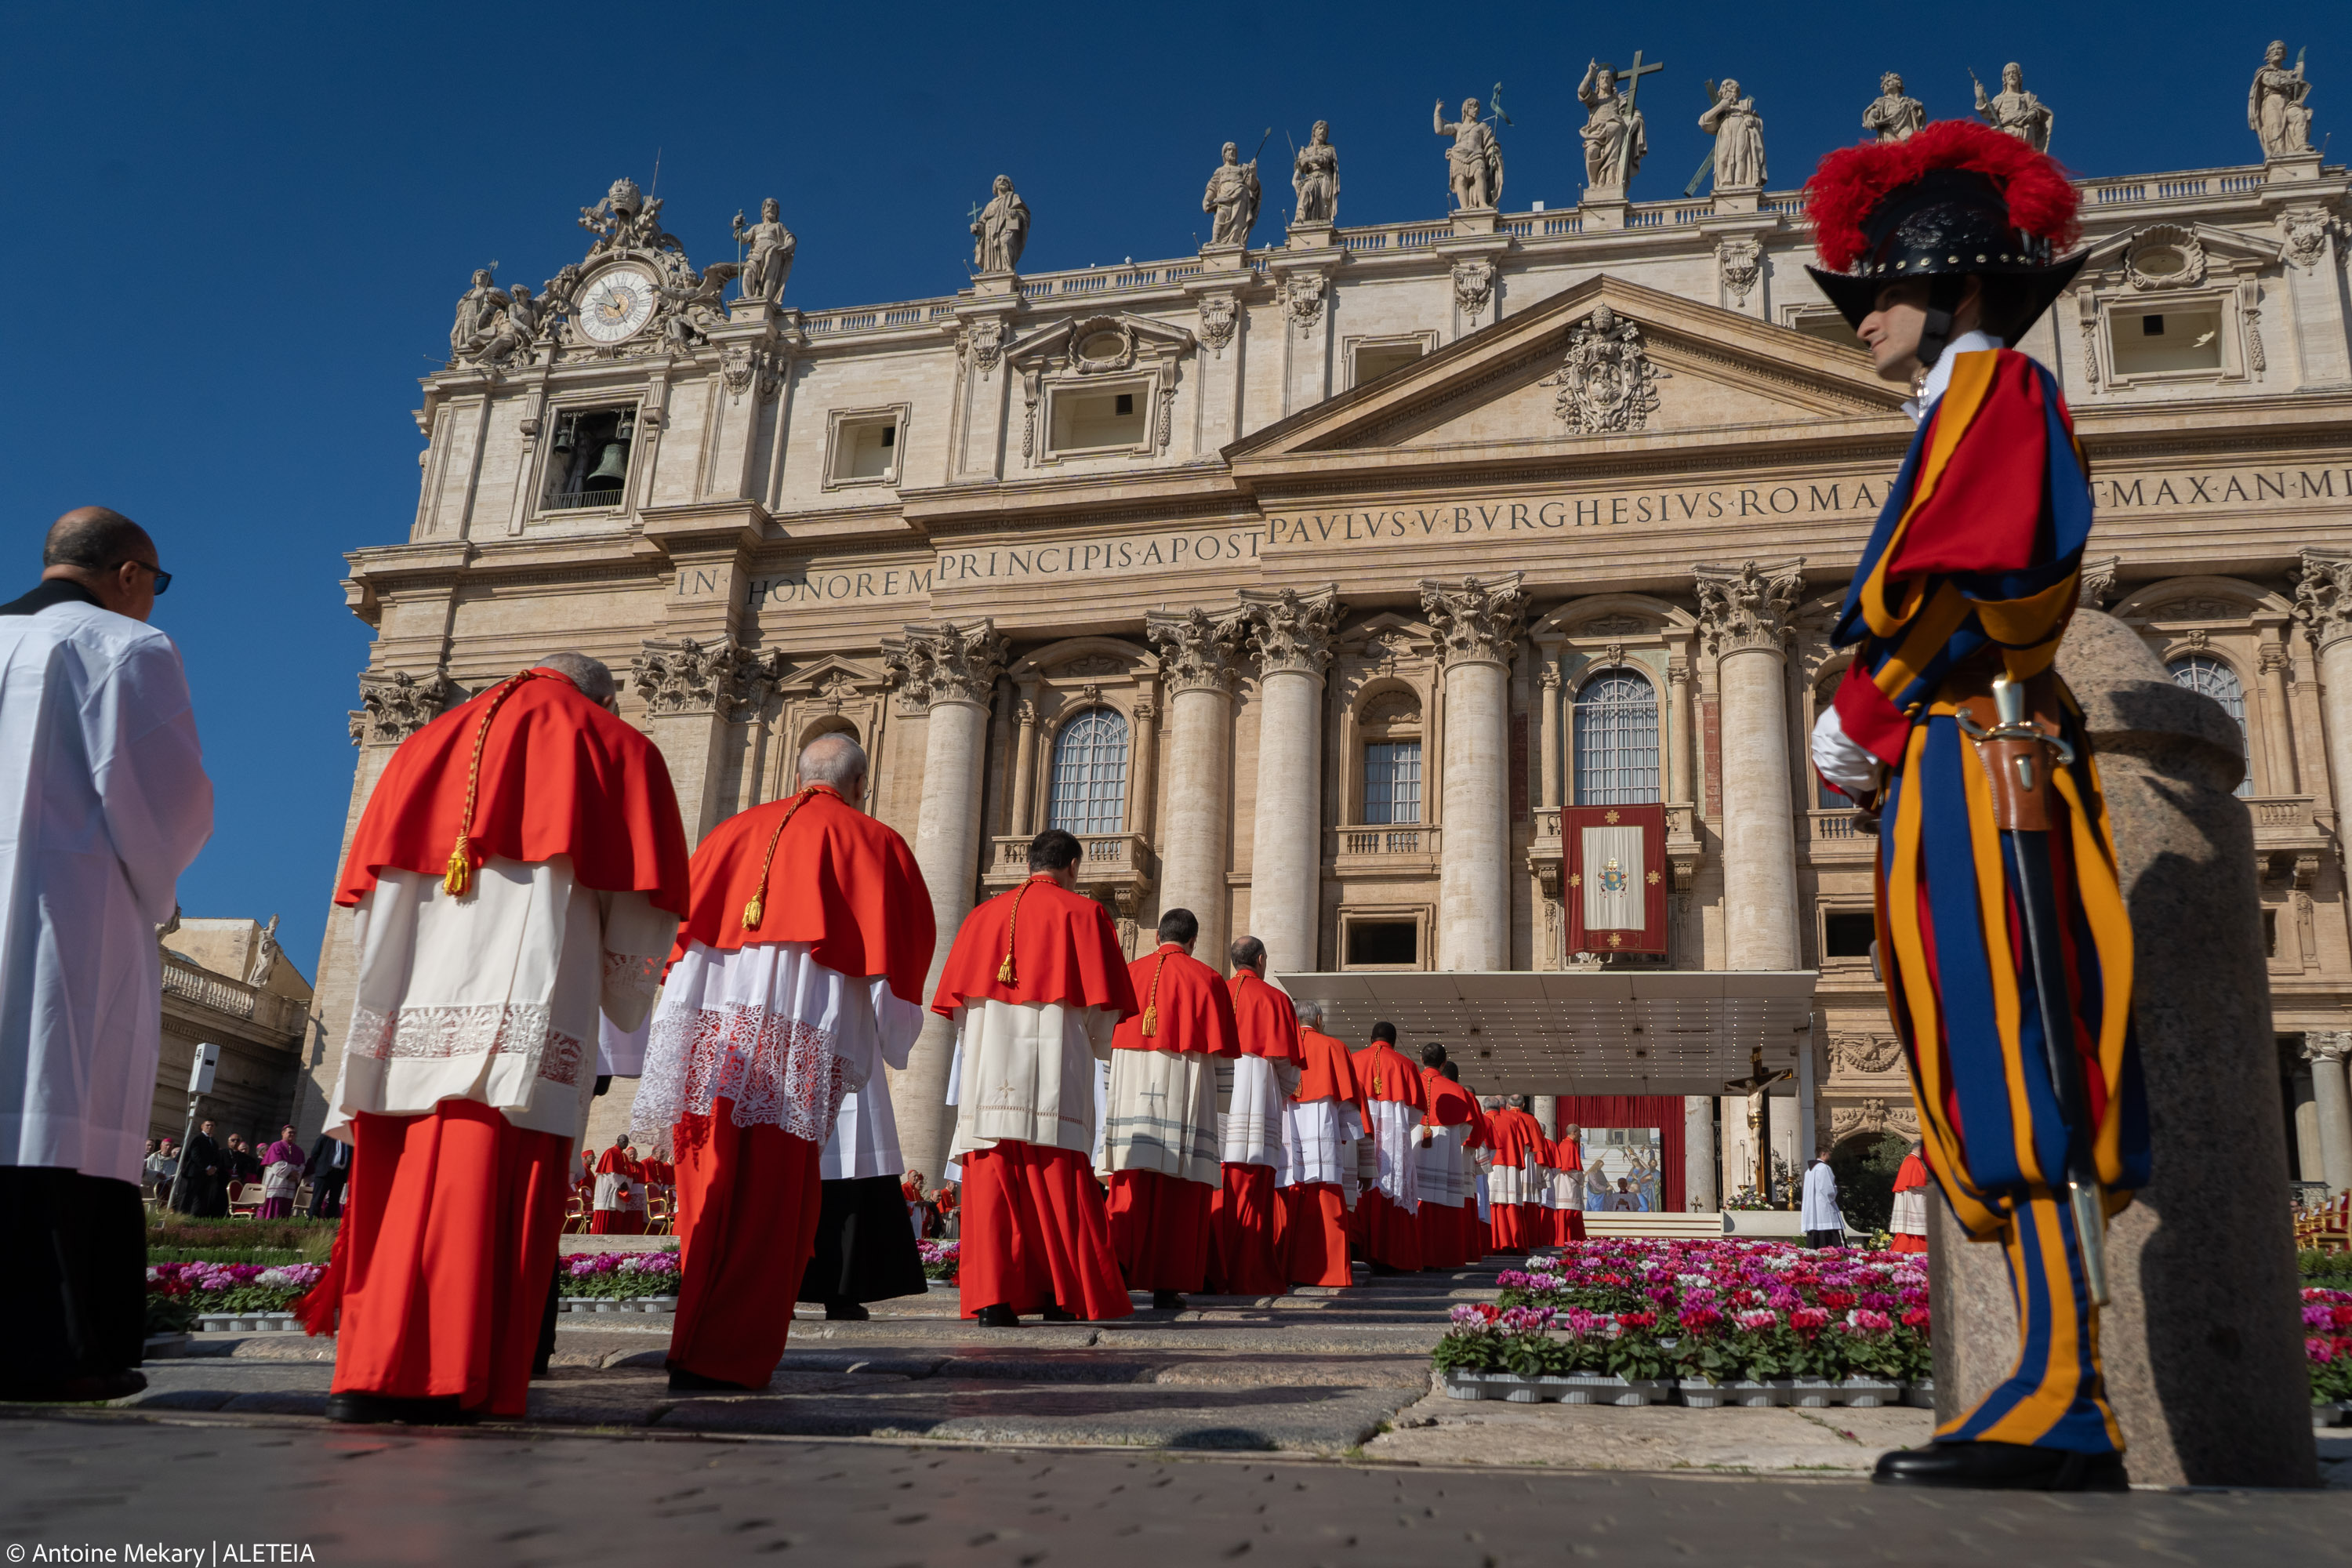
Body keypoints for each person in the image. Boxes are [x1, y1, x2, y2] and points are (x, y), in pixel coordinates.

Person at [1803, 120, 2144, 1491]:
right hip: (1945, 767)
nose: (1862, 317)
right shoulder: (1957, 404)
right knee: (1979, 1050)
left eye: (1878, 290)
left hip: (1973, 758)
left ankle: (2070, 1396)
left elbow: (1982, 577)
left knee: (2019, 1053)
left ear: (1956, 287)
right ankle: (2049, 1383)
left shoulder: (1994, 391)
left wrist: (1860, 713)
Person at [307, 650, 689, 1425]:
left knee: (401, 1160)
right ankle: (453, 1370)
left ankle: (369, 1366)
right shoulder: (612, 743)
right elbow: (642, 908)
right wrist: (625, 991)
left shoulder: (425, 741)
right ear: (605, 697)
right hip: (526, 995)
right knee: (494, 1158)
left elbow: (366, 898)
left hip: (416, 994)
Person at [626, 735, 932, 1376]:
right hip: (795, 1048)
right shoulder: (872, 841)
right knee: (775, 1205)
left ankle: (692, 1341)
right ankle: (725, 1355)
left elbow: (672, 940)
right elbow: (902, 959)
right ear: (860, 785)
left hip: (705, 1044)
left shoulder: (728, 833)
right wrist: (890, 1040)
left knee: (707, 1195)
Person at [0, 506, 212, 1403]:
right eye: (156, 586)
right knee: (60, 1110)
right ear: (131, 575)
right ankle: (57, 1350)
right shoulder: (126, 648)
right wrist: (159, 893)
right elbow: (163, 802)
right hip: (64, 922)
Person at [935, 829, 1138, 1326]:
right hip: (1054, 1067)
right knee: (1056, 1175)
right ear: (1071, 866)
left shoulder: (981, 917)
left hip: (988, 1069)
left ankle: (991, 1302)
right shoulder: (1084, 914)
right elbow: (1100, 1012)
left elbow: (960, 1014)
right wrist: (1091, 1044)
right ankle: (1059, 1295)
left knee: (994, 1178)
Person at [1100, 909, 1236, 1310]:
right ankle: (1167, 1285)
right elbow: (1222, 1054)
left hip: (1130, 1092)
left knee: (1130, 1183)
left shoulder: (1128, 972)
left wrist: (1111, 1095)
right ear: (1193, 941)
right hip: (1185, 1094)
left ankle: (1120, 1271)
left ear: (1156, 936)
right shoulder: (1209, 979)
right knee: (1180, 1189)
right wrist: (1221, 1105)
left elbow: (1107, 1051)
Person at [1207, 936, 1302, 1298]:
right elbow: (1289, 1068)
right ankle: (1248, 1274)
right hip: (1257, 1095)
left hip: (1214, 1097)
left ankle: (1212, 1270)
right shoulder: (1276, 999)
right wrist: (1279, 1091)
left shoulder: (1215, 991)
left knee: (1215, 1184)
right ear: (1261, 960)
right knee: (1253, 1188)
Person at [1279, 1000, 1364, 1289]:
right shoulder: (1334, 1047)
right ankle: (1327, 1270)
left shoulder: (1280, 1044)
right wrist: (1344, 1139)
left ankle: (1285, 1266)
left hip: (1284, 1128)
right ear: (1317, 1019)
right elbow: (1347, 1101)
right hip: (1321, 1127)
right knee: (1325, 1189)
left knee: (1288, 1184)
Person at [1351, 1023, 1426, 1273]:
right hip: (1395, 1140)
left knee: (1360, 1187)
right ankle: (1392, 1254)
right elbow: (1415, 1112)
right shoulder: (1406, 1065)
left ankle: (1357, 1250)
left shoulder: (1354, 1060)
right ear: (1394, 1041)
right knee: (1393, 1187)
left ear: (1370, 1038)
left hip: (1360, 1134)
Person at [1415, 1051, 1476, 1270]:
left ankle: (1413, 1253)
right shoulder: (1458, 1090)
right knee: (1442, 1201)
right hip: (1446, 1146)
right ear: (1444, 1063)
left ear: (1421, 1059)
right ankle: (1440, 1256)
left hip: (1415, 1142)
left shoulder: (1411, 1080)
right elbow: (1467, 1127)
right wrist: (1452, 1140)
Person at [1481, 1096, 1546, 1254]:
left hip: (1487, 1166)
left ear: (1484, 1108)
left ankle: (1492, 1242)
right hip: (1509, 1167)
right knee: (1510, 1204)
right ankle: (1513, 1242)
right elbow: (1525, 1146)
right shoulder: (1513, 1121)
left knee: (1490, 1203)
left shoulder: (1482, 1120)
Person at [592, 1135, 647, 1236]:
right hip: (608, 1188)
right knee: (606, 1212)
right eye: (624, 1141)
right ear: (618, 1141)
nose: (625, 1144)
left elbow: (627, 1174)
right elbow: (610, 1172)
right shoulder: (610, 1152)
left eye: (627, 1142)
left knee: (615, 1214)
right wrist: (621, 1184)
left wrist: (625, 1184)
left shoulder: (623, 1156)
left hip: (616, 1189)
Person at [172, 1118, 227, 1216]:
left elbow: (218, 1158)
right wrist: (207, 1167)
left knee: (201, 1199)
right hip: (194, 1173)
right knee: (187, 1197)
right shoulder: (196, 1138)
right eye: (208, 1125)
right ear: (202, 1126)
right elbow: (195, 1155)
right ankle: (181, 1218)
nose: (210, 1127)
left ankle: (194, 1218)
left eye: (212, 1126)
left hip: (207, 1176)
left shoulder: (214, 1142)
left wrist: (214, 1168)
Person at [1890, 1141, 1932, 1254]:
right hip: (1913, 1197)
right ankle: (1915, 1246)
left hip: (1911, 1195)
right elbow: (1917, 1183)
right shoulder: (1913, 1161)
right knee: (1913, 1223)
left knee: (1909, 1225)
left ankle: (1912, 1245)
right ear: (1920, 1150)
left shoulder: (1910, 1160)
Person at [256, 1125, 304, 1220]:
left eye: (294, 1133)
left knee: (285, 1208)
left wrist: (296, 1174)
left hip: (290, 1184)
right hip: (276, 1182)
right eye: (290, 1132)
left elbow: (302, 1166)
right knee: (273, 1206)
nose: (292, 1135)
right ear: (283, 1133)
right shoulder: (276, 1146)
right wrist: (291, 1173)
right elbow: (276, 1165)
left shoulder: (298, 1150)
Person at [1802, 1142, 1845, 1247]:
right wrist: (1835, 1192)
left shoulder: (1809, 1171)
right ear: (1823, 1154)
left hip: (1812, 1211)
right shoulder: (1824, 1168)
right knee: (1829, 1239)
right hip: (1824, 1209)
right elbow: (1828, 1190)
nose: (1830, 1155)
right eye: (1829, 1153)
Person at [303, 1127, 351, 1219]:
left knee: (334, 1201)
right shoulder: (327, 1137)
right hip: (325, 1173)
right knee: (317, 1199)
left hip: (339, 1175)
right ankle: (312, 1222)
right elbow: (315, 1153)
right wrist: (321, 1167)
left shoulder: (348, 1142)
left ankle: (329, 1224)